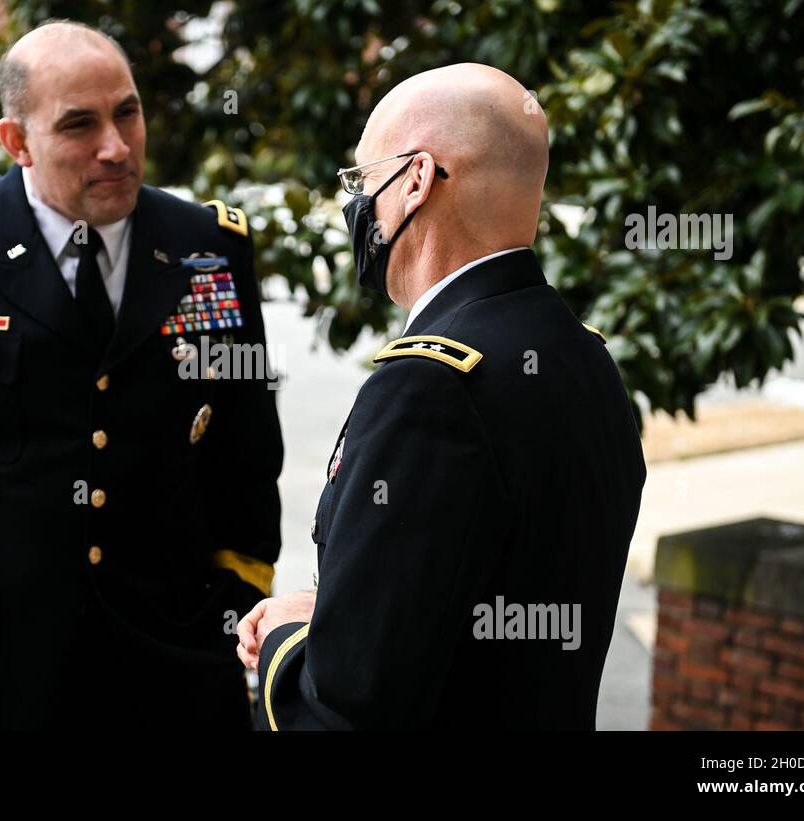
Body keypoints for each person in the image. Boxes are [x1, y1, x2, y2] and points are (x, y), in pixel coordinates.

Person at [0, 20, 283, 730]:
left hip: (173, 678)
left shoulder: (209, 248)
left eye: (128, 112)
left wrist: (222, 616)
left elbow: (247, 464)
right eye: (79, 125)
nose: (117, 148)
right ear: (16, 141)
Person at [237, 64, 646, 730]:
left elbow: (346, 710)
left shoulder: (429, 385)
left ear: (417, 179)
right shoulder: (583, 356)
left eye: (363, 183)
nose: (358, 208)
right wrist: (344, 609)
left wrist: (285, 634)